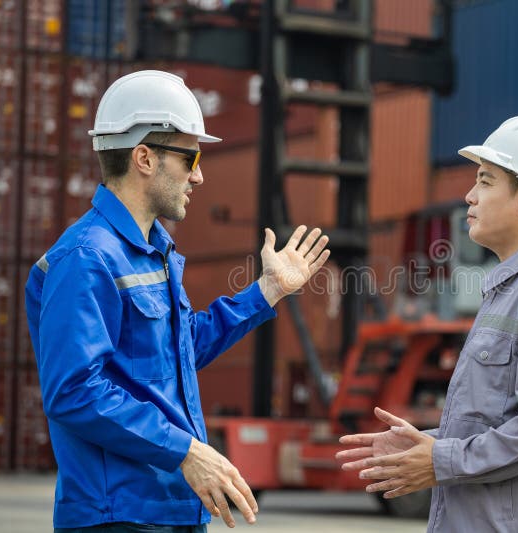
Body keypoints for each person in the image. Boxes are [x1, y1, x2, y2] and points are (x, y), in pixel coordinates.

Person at [25, 70, 330, 532]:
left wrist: (267, 291)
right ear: (144, 158)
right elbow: (73, 391)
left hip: (171, 509)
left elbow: (180, 349)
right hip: (119, 518)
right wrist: (186, 451)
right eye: (191, 157)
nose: (200, 175)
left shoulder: (153, 251)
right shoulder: (87, 258)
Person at [336, 115, 518, 532]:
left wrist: (441, 459)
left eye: (484, 181)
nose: (469, 196)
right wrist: (427, 445)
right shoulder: (511, 289)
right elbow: (500, 419)